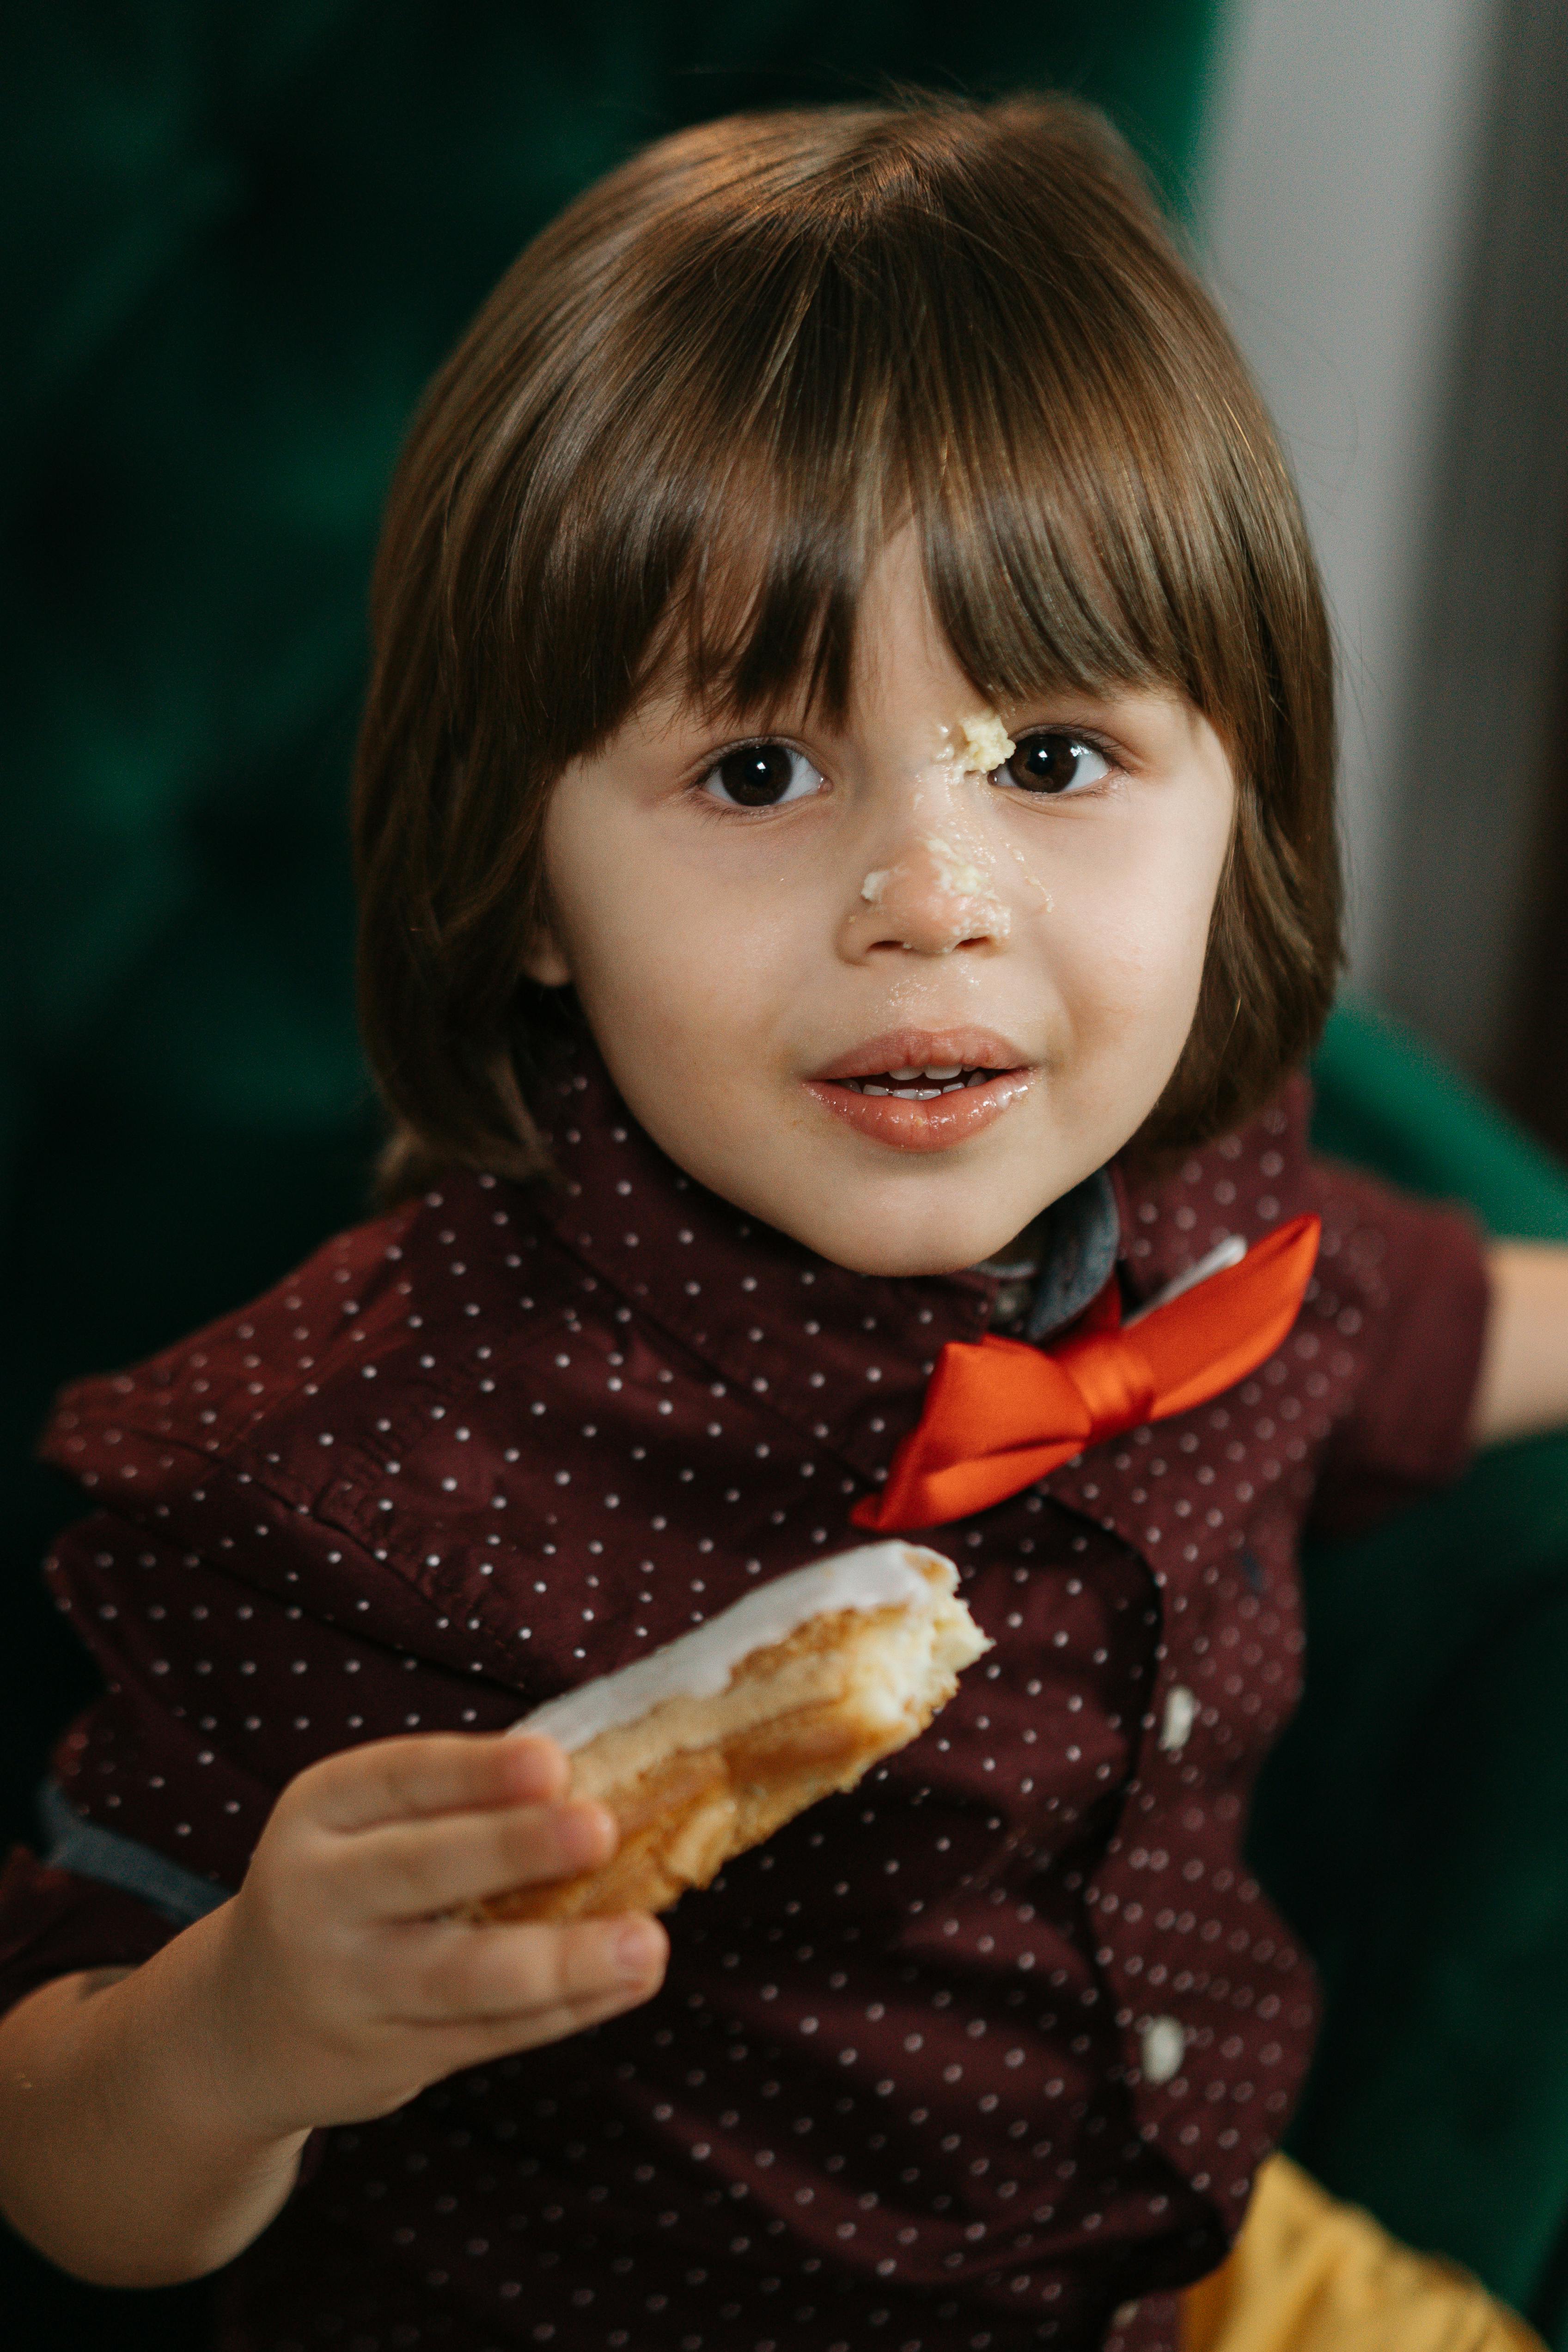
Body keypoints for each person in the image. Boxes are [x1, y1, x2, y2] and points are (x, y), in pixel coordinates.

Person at [1, 93, 1566, 2352]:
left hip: (1191, 2242)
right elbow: (65, 2158)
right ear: (526, 881)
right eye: (755, 770)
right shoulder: (362, 1468)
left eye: (1050, 758)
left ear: (1241, 808)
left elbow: (1425, 1320)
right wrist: (240, 2032)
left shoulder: (1215, 1221)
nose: (928, 902)